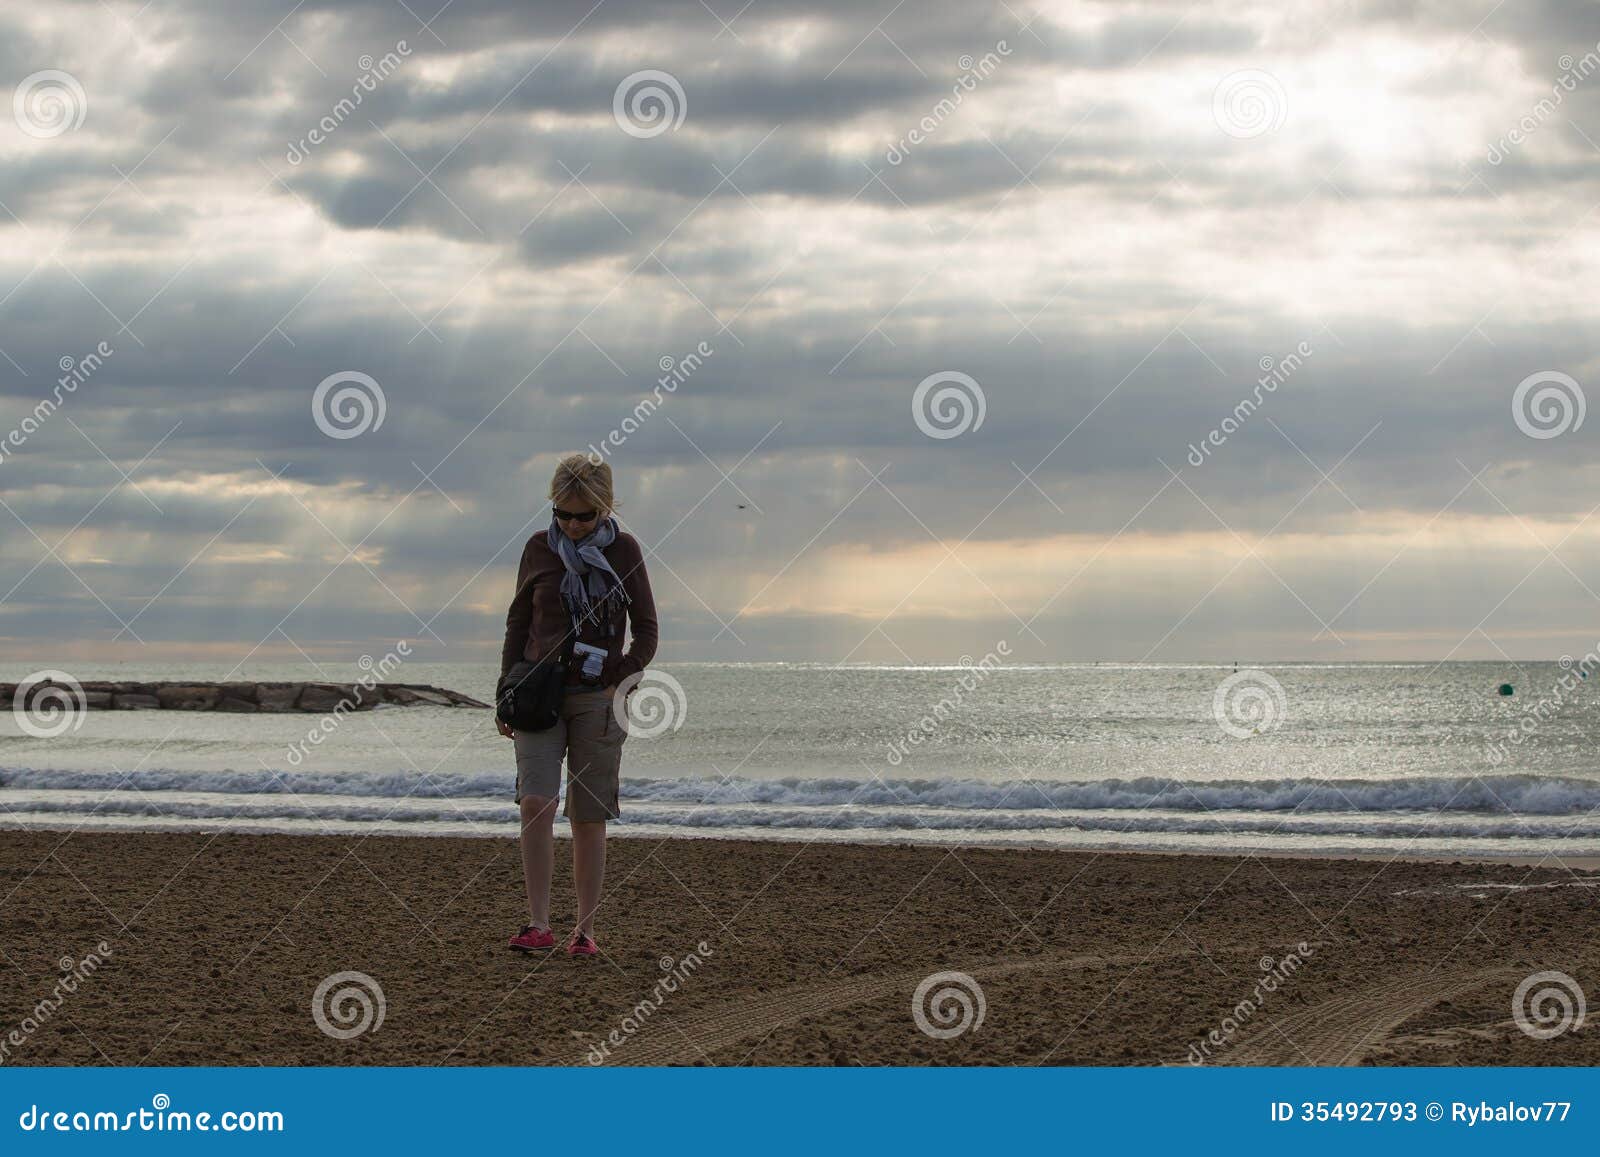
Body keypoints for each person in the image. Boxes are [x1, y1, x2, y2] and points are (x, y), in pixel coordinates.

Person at [498, 454, 658, 956]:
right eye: (564, 513)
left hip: (598, 701)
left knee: (588, 815)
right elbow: (517, 623)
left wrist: (618, 680)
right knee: (535, 802)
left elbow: (647, 632)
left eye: (584, 515)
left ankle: (584, 932)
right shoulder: (538, 549)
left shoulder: (626, 551)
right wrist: (504, 692)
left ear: (605, 509)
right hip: (537, 695)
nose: (572, 524)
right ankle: (538, 923)